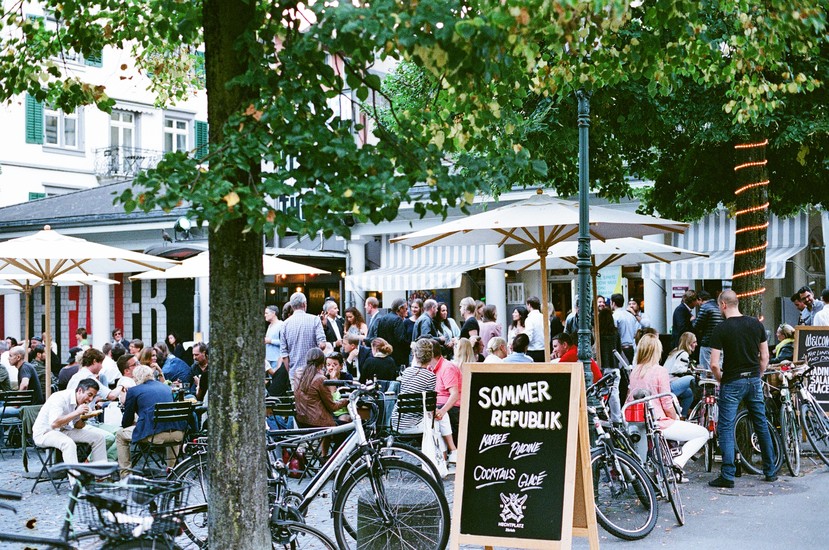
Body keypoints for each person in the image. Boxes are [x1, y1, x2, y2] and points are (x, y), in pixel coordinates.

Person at [709, 290, 778, 488]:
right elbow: (765, 356)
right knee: (760, 423)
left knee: (726, 427)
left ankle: (728, 475)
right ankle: (770, 471)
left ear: (723, 305)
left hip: (732, 381)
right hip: (753, 380)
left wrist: (722, 380)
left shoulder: (720, 329)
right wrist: (758, 374)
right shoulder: (756, 324)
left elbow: (714, 364)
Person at [627, 334, 708, 480]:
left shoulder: (635, 371)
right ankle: (677, 464)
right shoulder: (659, 371)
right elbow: (666, 402)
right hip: (657, 422)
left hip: (639, 421)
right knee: (703, 434)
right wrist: (676, 417)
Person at [116, 365, 187, 479]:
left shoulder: (134, 391)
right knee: (168, 424)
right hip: (178, 435)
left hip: (154, 436)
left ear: (136, 378)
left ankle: (125, 476)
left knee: (120, 435)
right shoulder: (166, 388)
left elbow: (126, 423)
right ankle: (172, 471)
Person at [391, 338, 456, 458]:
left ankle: (448, 454)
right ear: (430, 356)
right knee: (440, 418)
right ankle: (447, 455)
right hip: (414, 423)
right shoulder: (430, 376)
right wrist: (437, 412)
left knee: (438, 418)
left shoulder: (406, 372)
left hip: (398, 421)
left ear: (415, 355)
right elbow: (429, 406)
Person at [32, 378, 107, 482]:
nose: (90, 399)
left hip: (63, 430)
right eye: (89, 395)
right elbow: (54, 423)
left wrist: (84, 418)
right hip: (45, 432)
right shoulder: (59, 397)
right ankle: (75, 484)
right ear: (79, 391)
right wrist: (77, 412)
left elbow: (77, 426)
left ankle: (100, 477)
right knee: (68, 443)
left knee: (98, 438)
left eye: (93, 396)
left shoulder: (80, 402)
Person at [295, 348, 349, 456]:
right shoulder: (320, 379)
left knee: (340, 424)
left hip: (302, 422)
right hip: (319, 423)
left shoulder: (299, 374)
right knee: (349, 429)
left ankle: (325, 456)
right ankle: (334, 460)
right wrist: (347, 400)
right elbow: (332, 407)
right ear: (322, 363)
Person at [280, 292, 326, 385]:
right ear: (304, 304)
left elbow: (284, 354)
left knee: (297, 394)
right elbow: (322, 345)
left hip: (294, 372)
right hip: (314, 371)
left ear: (292, 306)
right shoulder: (315, 319)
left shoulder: (285, 324)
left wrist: (290, 372)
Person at [432, 339, 461, 465]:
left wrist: (443, 411)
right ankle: (445, 455)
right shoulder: (430, 367)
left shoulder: (447, 367)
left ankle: (449, 453)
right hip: (439, 405)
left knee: (438, 414)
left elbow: (454, 395)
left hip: (452, 406)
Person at [366, 298, 409, 367]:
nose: (407, 310)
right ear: (400, 309)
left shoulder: (383, 318)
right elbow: (401, 340)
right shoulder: (398, 320)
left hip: (385, 355)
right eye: (406, 309)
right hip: (397, 356)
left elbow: (379, 336)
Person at [597, 308, 623, 423]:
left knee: (600, 392)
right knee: (614, 393)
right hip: (613, 365)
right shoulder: (615, 332)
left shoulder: (598, 333)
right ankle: (616, 418)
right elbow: (619, 349)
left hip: (601, 366)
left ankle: (604, 415)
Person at [664, 332, 698, 417]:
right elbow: (678, 369)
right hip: (670, 384)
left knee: (689, 394)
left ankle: (683, 416)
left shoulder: (675, 351)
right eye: (694, 342)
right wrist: (689, 370)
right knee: (691, 378)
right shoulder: (684, 354)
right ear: (689, 343)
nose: (696, 344)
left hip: (666, 383)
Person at [693, 290, 724, 370]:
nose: (698, 304)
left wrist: (693, 320)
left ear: (700, 299)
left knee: (706, 370)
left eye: (698, 301)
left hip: (707, 343)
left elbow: (697, 325)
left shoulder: (705, 307)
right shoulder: (719, 306)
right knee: (718, 367)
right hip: (720, 343)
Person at [611, 293, 638, 364]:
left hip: (620, 348)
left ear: (613, 303)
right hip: (631, 347)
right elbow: (635, 332)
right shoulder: (631, 316)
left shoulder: (614, 316)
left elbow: (614, 333)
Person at [326, 353, 353, 424]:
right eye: (328, 365)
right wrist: (332, 379)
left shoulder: (347, 377)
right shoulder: (324, 378)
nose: (331, 368)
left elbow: (348, 396)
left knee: (344, 419)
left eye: (334, 365)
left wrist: (334, 380)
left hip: (343, 410)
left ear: (341, 366)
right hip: (328, 411)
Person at [265, 304, 284, 390]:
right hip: (268, 358)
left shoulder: (281, 325)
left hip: (277, 358)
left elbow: (284, 342)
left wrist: (271, 341)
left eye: (267, 313)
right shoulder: (269, 326)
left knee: (277, 380)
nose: (265, 315)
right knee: (270, 380)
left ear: (273, 313)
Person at [523, 296, 546, 362]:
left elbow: (529, 336)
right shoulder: (544, 318)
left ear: (529, 305)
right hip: (544, 350)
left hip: (532, 350)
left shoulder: (529, 319)